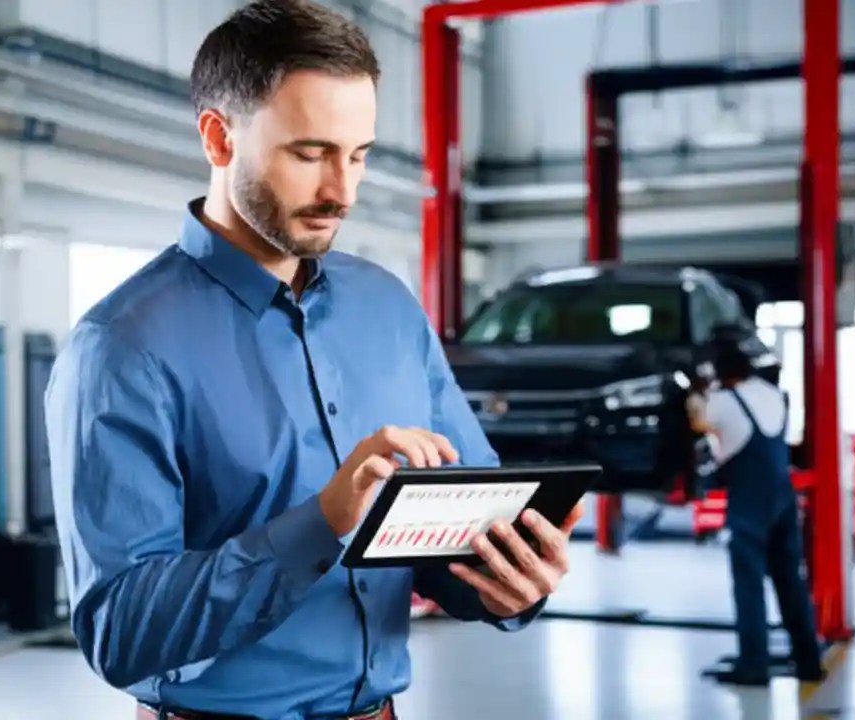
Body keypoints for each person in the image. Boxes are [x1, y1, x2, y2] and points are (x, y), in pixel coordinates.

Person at [44, 2, 581, 718]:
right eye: (310, 153)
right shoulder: (122, 347)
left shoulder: (388, 309)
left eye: (357, 154)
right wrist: (322, 519)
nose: (342, 190)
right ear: (218, 137)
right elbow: (121, 631)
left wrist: (503, 579)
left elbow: (455, 526)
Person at [691, 342, 825, 686]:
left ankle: (753, 665)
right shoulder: (772, 393)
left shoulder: (722, 401)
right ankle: (809, 661)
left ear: (722, 375)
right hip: (783, 496)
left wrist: (696, 392)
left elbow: (696, 422)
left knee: (748, 583)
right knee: (790, 580)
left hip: (750, 499)